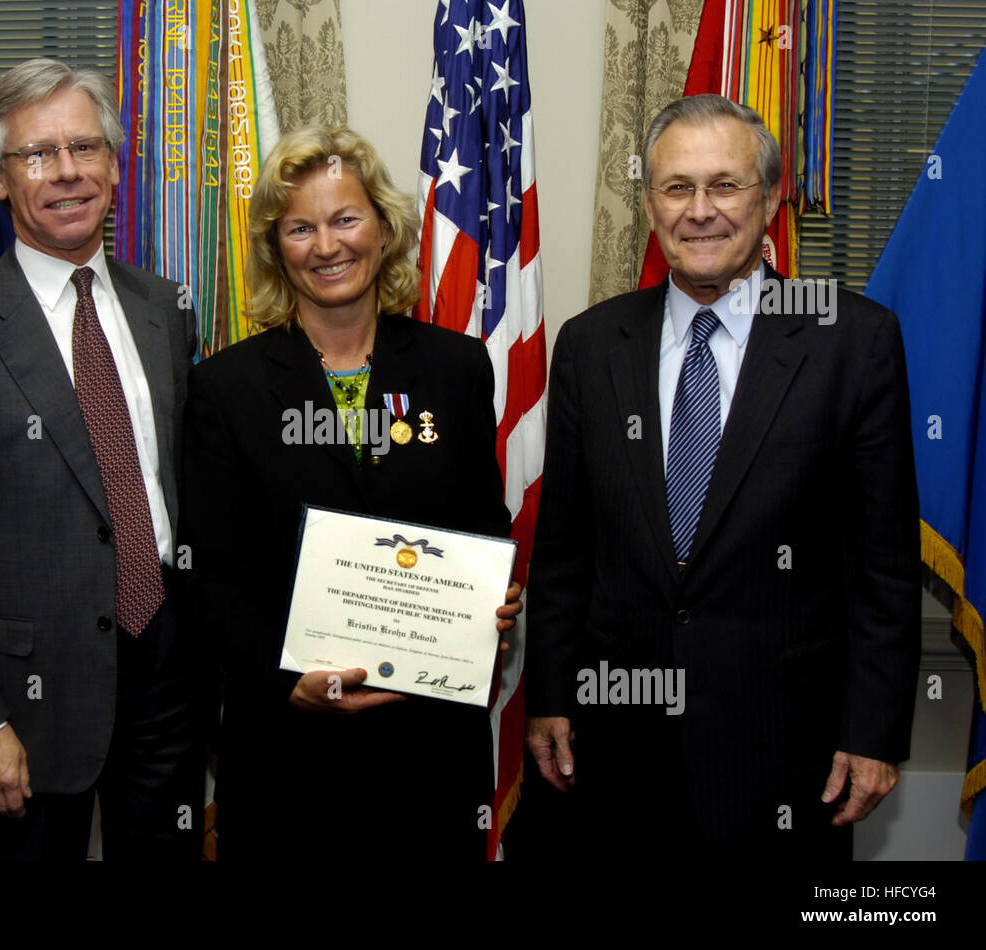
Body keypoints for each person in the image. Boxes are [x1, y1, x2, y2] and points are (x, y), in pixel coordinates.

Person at [521, 94, 921, 860]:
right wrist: (549, 700)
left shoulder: (854, 342)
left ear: (769, 198)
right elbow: (566, 551)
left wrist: (872, 733)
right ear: (649, 204)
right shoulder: (590, 344)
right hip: (617, 757)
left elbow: (883, 566)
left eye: (725, 185)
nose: (700, 211)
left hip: (784, 757)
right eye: (678, 188)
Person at [0, 58, 201, 861]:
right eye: (38, 155)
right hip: (29, 700)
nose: (67, 172)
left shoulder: (165, 309)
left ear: (113, 165)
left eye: (85, 148)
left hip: (168, 682)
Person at [182, 127, 521, 860]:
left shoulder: (457, 369)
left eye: (345, 218)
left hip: (428, 747)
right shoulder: (225, 389)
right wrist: (289, 684)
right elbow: (213, 577)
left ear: (383, 227)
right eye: (301, 227)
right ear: (277, 249)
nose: (327, 245)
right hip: (287, 757)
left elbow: (483, 528)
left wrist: (493, 594)